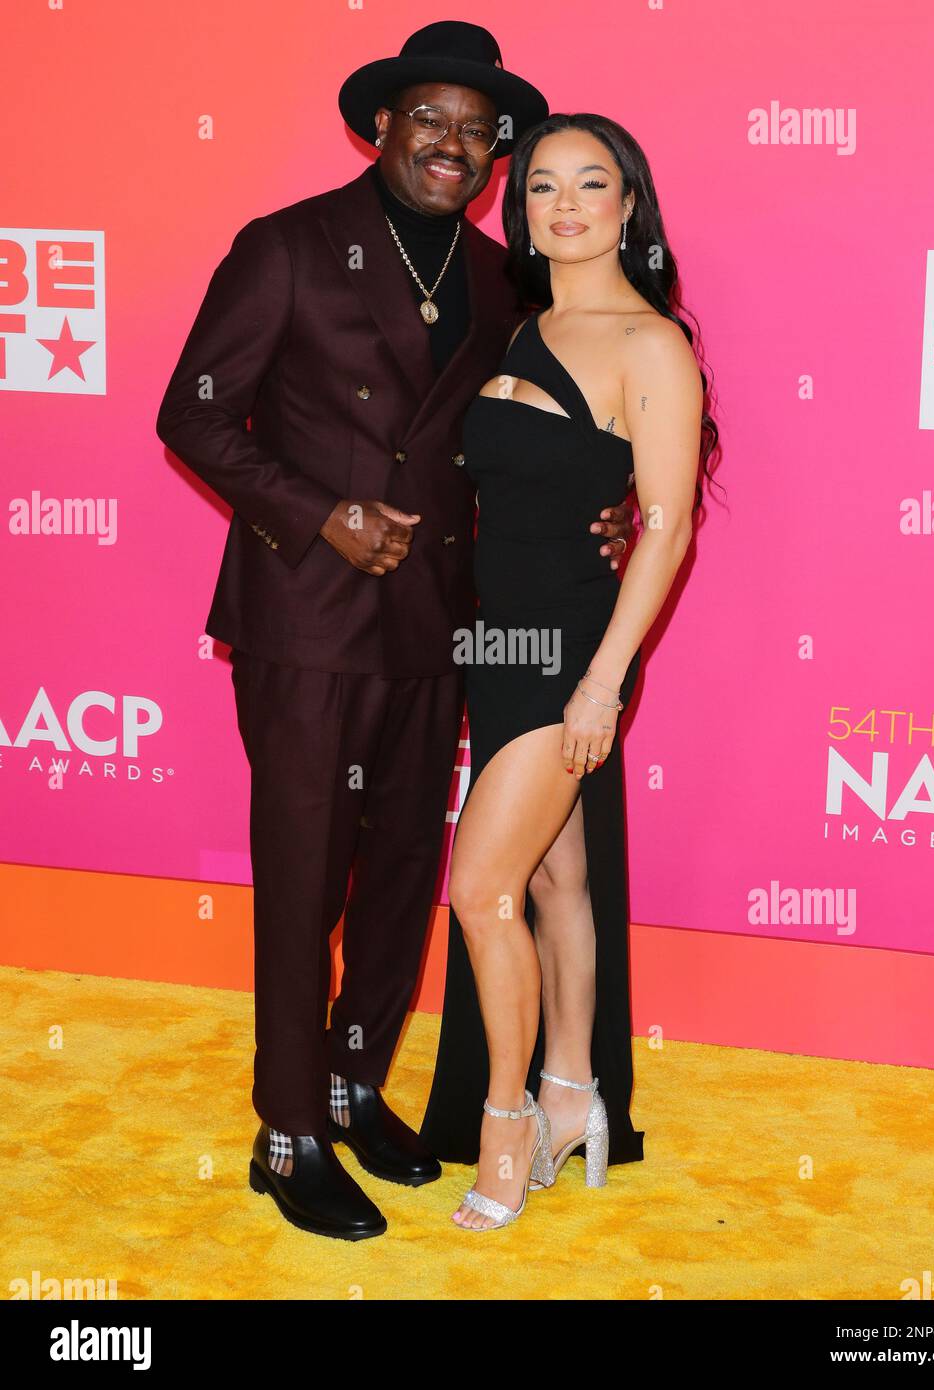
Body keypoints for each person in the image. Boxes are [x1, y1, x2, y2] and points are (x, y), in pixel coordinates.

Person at [154, 21, 635, 1240]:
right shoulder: (287, 246)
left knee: (403, 877)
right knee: (304, 878)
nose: (452, 145)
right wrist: (324, 514)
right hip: (308, 619)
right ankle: (287, 1128)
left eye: (477, 131)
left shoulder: (500, 278)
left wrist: (617, 500)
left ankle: (352, 1083)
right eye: (430, 118)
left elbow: (579, 399)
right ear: (382, 125)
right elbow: (192, 414)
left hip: (440, 623)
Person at [418, 112, 721, 1230]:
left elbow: (667, 528)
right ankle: (571, 1094)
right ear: (521, 209)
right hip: (495, 642)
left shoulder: (651, 345)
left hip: (568, 654)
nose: (565, 205)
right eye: (542, 185)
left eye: (592, 184)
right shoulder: (518, 329)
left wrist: (603, 682)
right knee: (554, 884)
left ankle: (506, 1126)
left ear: (629, 205)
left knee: (481, 891)